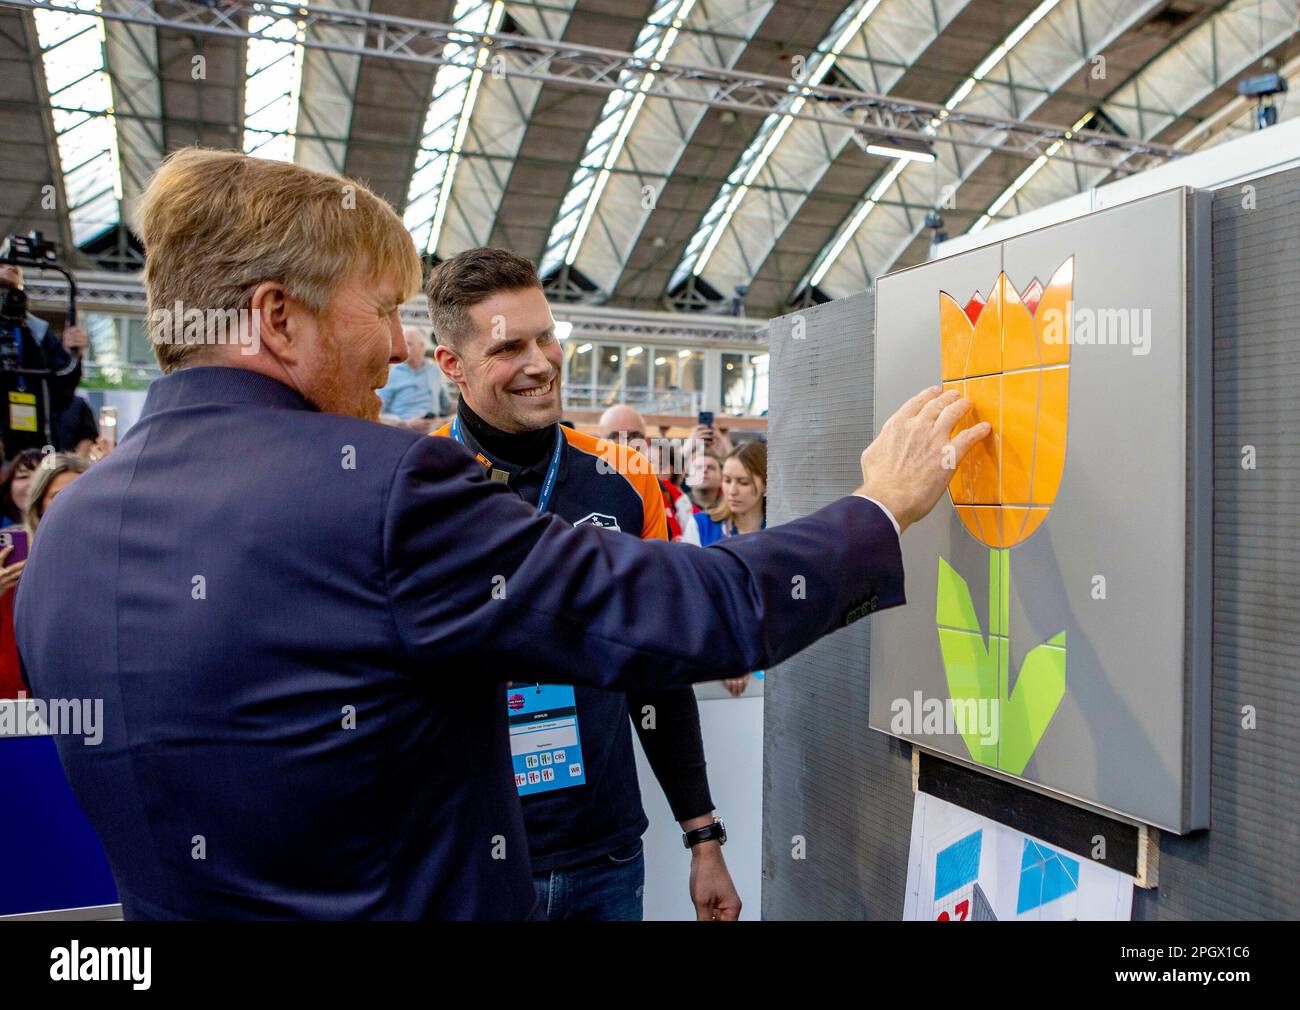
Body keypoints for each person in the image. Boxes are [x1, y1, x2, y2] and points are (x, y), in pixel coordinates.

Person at [15, 148, 988, 920]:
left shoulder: (66, 535)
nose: (398, 347)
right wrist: (875, 508)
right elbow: (684, 610)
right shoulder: (383, 493)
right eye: (381, 309)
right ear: (278, 318)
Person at [427, 247, 740, 921]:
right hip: (466, 863)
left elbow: (657, 668)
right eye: (510, 346)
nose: (541, 363)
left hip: (604, 858)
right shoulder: (414, 485)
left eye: (547, 336)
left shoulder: (624, 478)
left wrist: (703, 836)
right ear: (453, 365)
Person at [0, 264, 88, 457]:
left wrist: (72, 354)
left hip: (35, 444)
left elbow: (61, 395)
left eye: (16, 266)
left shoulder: (37, 332)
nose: (11, 267)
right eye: (3, 264)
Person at [600, 403, 699, 545]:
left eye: (634, 436)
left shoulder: (664, 493)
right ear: (599, 441)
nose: (626, 444)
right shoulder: (582, 488)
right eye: (615, 435)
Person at [377, 326, 452, 433]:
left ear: (422, 346)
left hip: (434, 431)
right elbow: (378, 414)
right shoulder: (392, 374)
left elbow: (446, 406)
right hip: (404, 432)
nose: (403, 348)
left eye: (409, 344)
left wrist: (442, 420)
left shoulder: (434, 371)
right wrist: (405, 424)